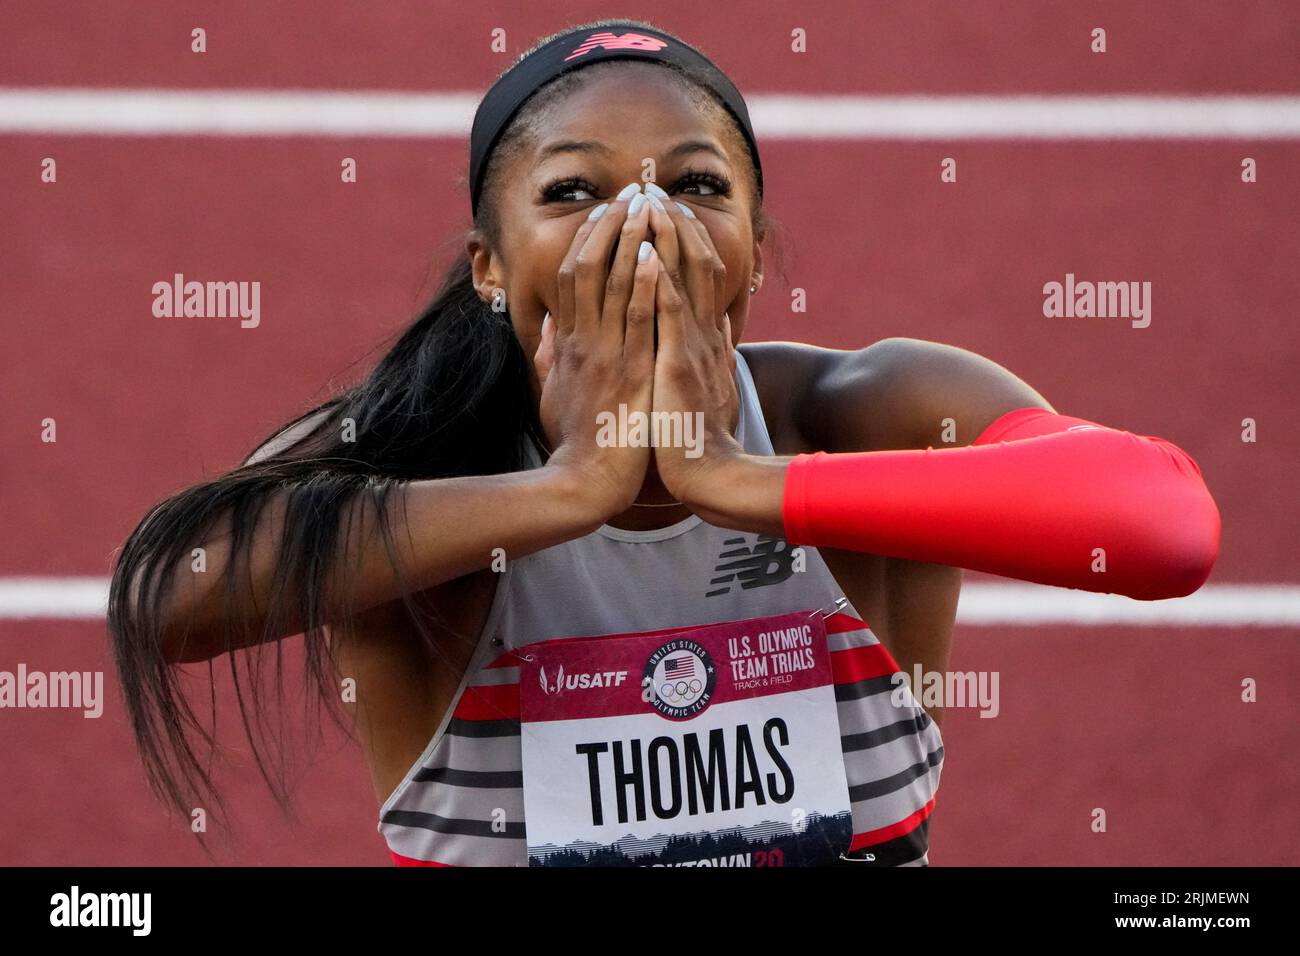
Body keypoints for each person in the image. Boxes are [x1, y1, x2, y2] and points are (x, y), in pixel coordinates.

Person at [107, 19, 1220, 868]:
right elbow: (172, 597)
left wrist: (738, 481)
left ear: (753, 248)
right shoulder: (422, 471)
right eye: (573, 190)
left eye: (694, 185)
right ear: (488, 268)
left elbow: (1164, 530)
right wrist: (569, 489)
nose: (639, 225)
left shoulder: (855, 415)